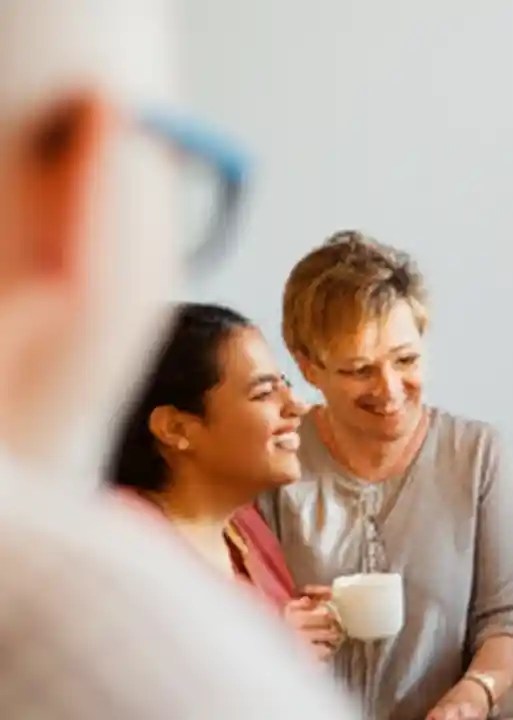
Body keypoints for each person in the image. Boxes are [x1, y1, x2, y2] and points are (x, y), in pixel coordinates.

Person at [0, 1, 357, 717]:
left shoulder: (245, 528)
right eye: (181, 167)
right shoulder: (102, 619)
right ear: (82, 182)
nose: (298, 406)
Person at [258, 231, 513, 720]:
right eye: (358, 369)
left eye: (406, 360)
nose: (389, 390)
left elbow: (507, 621)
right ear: (308, 367)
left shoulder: (477, 454)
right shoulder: (276, 459)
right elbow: (222, 614)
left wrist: (474, 695)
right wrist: (276, 630)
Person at [107, 302, 343, 661]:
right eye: (264, 393)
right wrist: (273, 651)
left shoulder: (243, 525)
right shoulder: (124, 549)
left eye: (287, 385)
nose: (297, 405)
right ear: (176, 428)